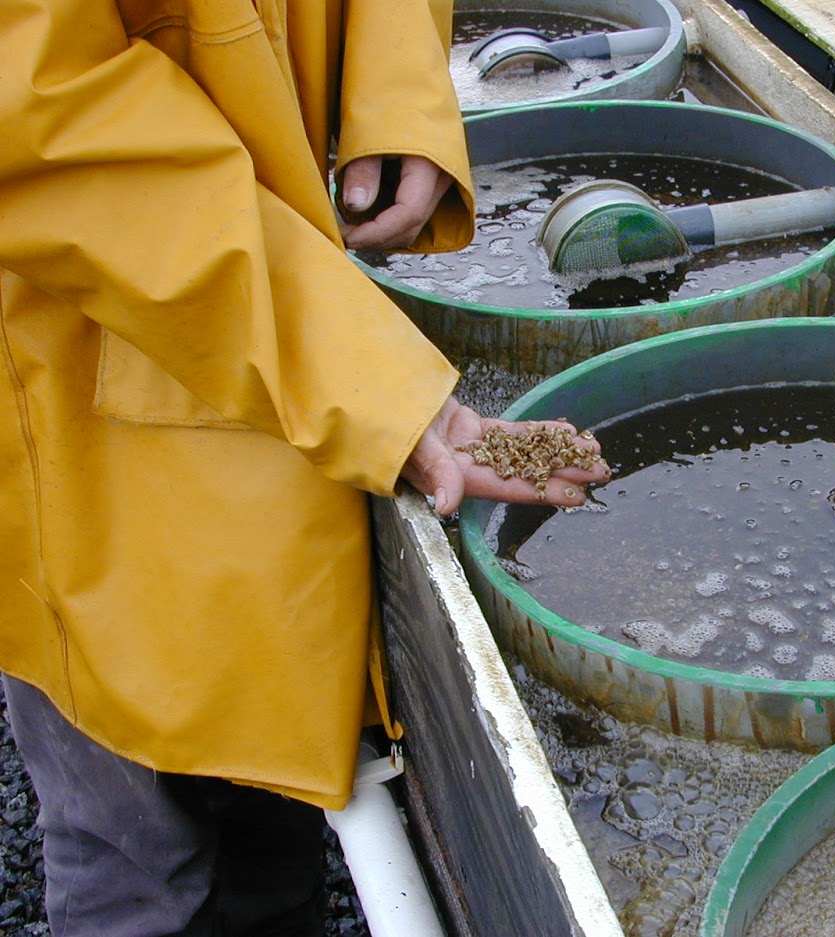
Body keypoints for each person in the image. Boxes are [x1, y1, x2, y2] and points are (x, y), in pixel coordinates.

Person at [0, 1, 607, 934]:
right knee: (136, 847)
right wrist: (356, 372)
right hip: (75, 389)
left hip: (283, 334)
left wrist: (395, 100)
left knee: (273, 799)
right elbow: (43, 121)